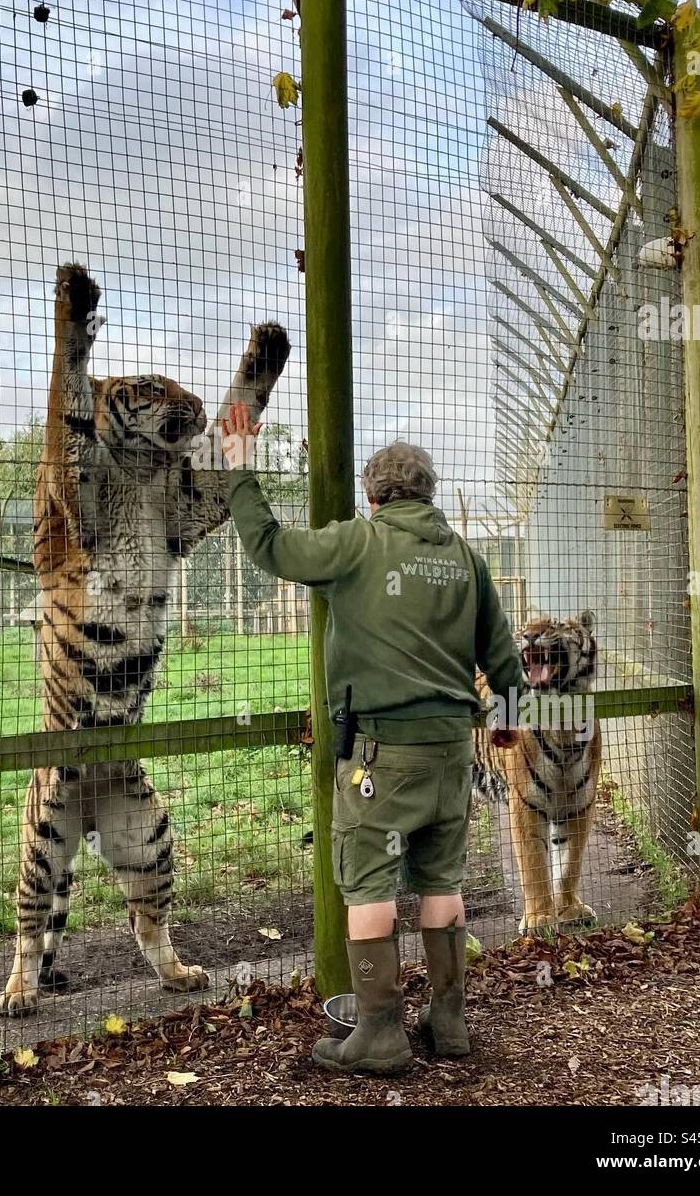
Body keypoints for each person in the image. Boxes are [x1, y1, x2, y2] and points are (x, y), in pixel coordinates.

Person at [220, 405, 524, 1075]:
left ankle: (379, 1032)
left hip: (383, 757)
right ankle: (448, 1020)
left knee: (370, 887)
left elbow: (269, 545)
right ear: (429, 494)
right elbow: (505, 667)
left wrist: (239, 462)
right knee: (443, 879)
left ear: (373, 495)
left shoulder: (358, 542)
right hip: (452, 756)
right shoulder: (468, 562)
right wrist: (503, 715)